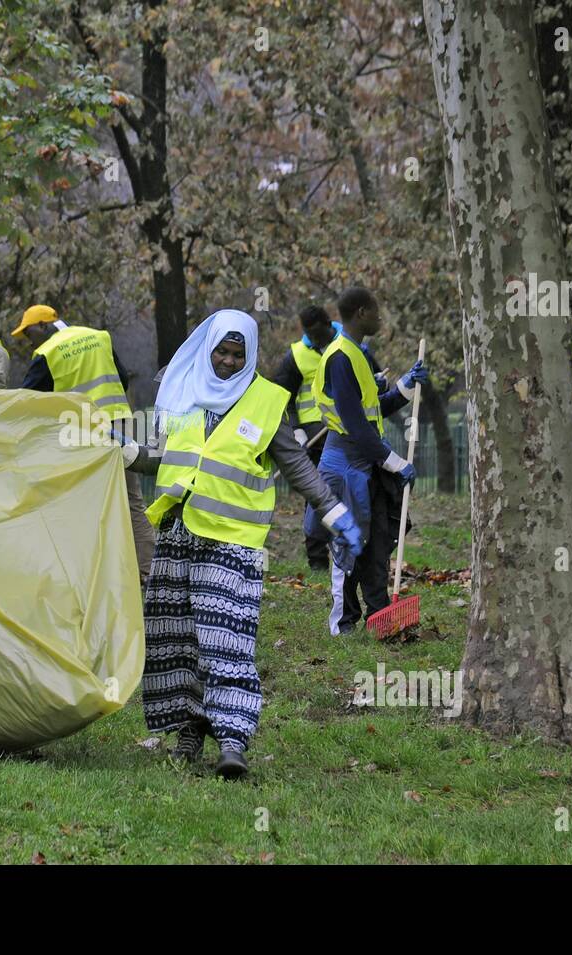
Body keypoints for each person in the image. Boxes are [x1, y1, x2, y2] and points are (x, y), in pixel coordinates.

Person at [121, 309, 362, 779]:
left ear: (250, 354)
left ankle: (232, 741)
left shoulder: (267, 401)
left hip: (232, 544)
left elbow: (296, 466)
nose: (229, 362)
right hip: (177, 536)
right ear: (209, 349)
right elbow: (167, 457)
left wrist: (334, 513)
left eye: (238, 354)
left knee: (225, 637)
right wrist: (130, 453)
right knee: (176, 638)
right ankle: (189, 730)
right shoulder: (185, 394)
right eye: (222, 352)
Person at [309, 287, 427, 636]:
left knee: (376, 544)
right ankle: (342, 623)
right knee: (347, 545)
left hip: (366, 464)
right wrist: (396, 463)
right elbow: (357, 427)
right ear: (361, 313)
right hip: (344, 466)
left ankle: (380, 615)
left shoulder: (358, 354)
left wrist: (405, 386)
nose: (380, 318)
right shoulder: (340, 358)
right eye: (376, 312)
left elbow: (373, 412)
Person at [12, 303, 155, 580]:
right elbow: (122, 379)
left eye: (28, 334)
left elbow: (26, 403)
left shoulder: (47, 353)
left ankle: (91, 576)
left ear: (43, 326)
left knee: (83, 501)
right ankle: (148, 573)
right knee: (131, 501)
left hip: (79, 434)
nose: (28, 341)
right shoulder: (99, 337)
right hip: (120, 426)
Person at [269, 304, 336, 570]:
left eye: (317, 333)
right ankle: (318, 561)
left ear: (329, 325)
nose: (313, 338)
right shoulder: (295, 356)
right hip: (313, 438)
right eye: (308, 333)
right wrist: (295, 430)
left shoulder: (349, 345)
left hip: (344, 434)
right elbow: (281, 398)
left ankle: (352, 556)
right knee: (316, 495)